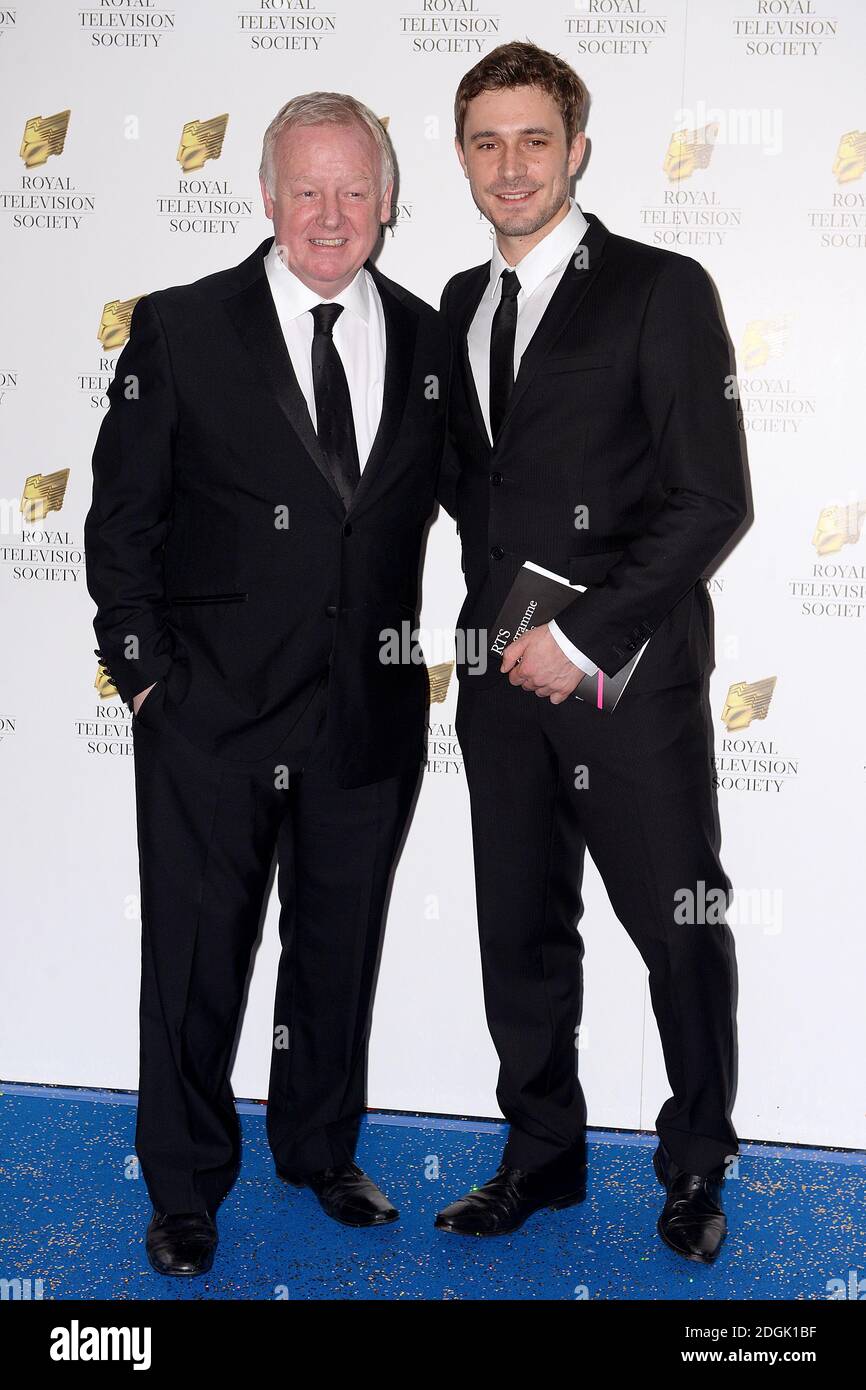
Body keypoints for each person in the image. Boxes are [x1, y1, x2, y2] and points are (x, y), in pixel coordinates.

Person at [84, 92, 448, 1277]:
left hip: (368, 716)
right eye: (307, 190)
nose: (330, 215)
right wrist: (146, 682)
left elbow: (483, 510)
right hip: (210, 719)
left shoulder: (426, 338)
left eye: (354, 190)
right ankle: (183, 1186)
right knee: (193, 959)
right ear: (266, 197)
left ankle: (318, 1147)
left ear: (388, 200)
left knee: (336, 952)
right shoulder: (183, 329)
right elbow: (121, 524)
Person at [435, 40, 747, 1263]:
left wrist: (577, 635)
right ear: (461, 156)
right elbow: (477, 491)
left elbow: (709, 499)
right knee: (517, 927)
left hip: (625, 680)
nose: (508, 166)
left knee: (677, 926)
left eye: (531, 140)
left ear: (575, 148)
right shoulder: (461, 304)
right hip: (497, 685)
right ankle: (540, 1154)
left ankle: (695, 1161)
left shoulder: (661, 288)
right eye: (483, 141)